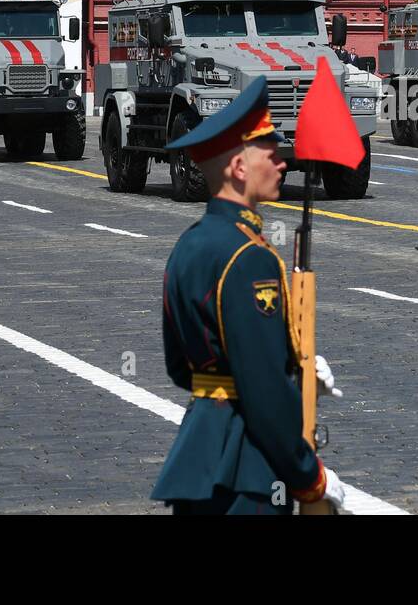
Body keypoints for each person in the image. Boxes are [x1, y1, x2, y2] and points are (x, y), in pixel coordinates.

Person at [151, 77, 346, 515]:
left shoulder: (189, 245)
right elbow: (262, 389)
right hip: (247, 469)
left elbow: (180, 367)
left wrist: (292, 361)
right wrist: (310, 478)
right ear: (239, 167)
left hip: (202, 455)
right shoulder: (249, 257)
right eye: (271, 153)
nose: (282, 163)